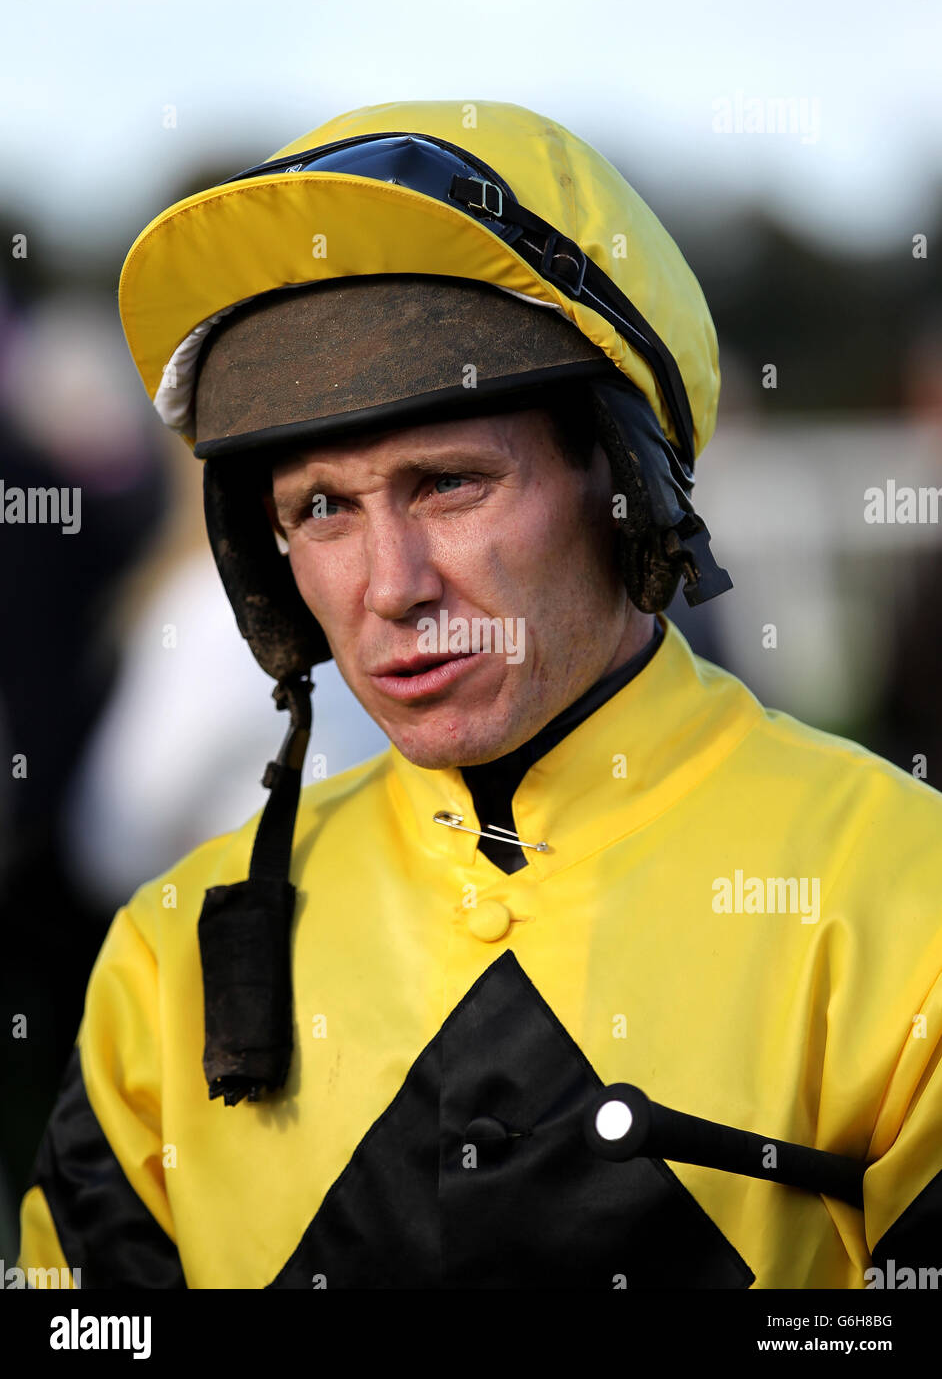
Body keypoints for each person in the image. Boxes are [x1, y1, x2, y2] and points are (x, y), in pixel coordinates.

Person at [14, 99, 942, 1290]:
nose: (389, 588)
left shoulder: (909, 908)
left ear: (626, 485)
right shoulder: (165, 959)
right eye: (321, 509)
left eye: (448, 483)